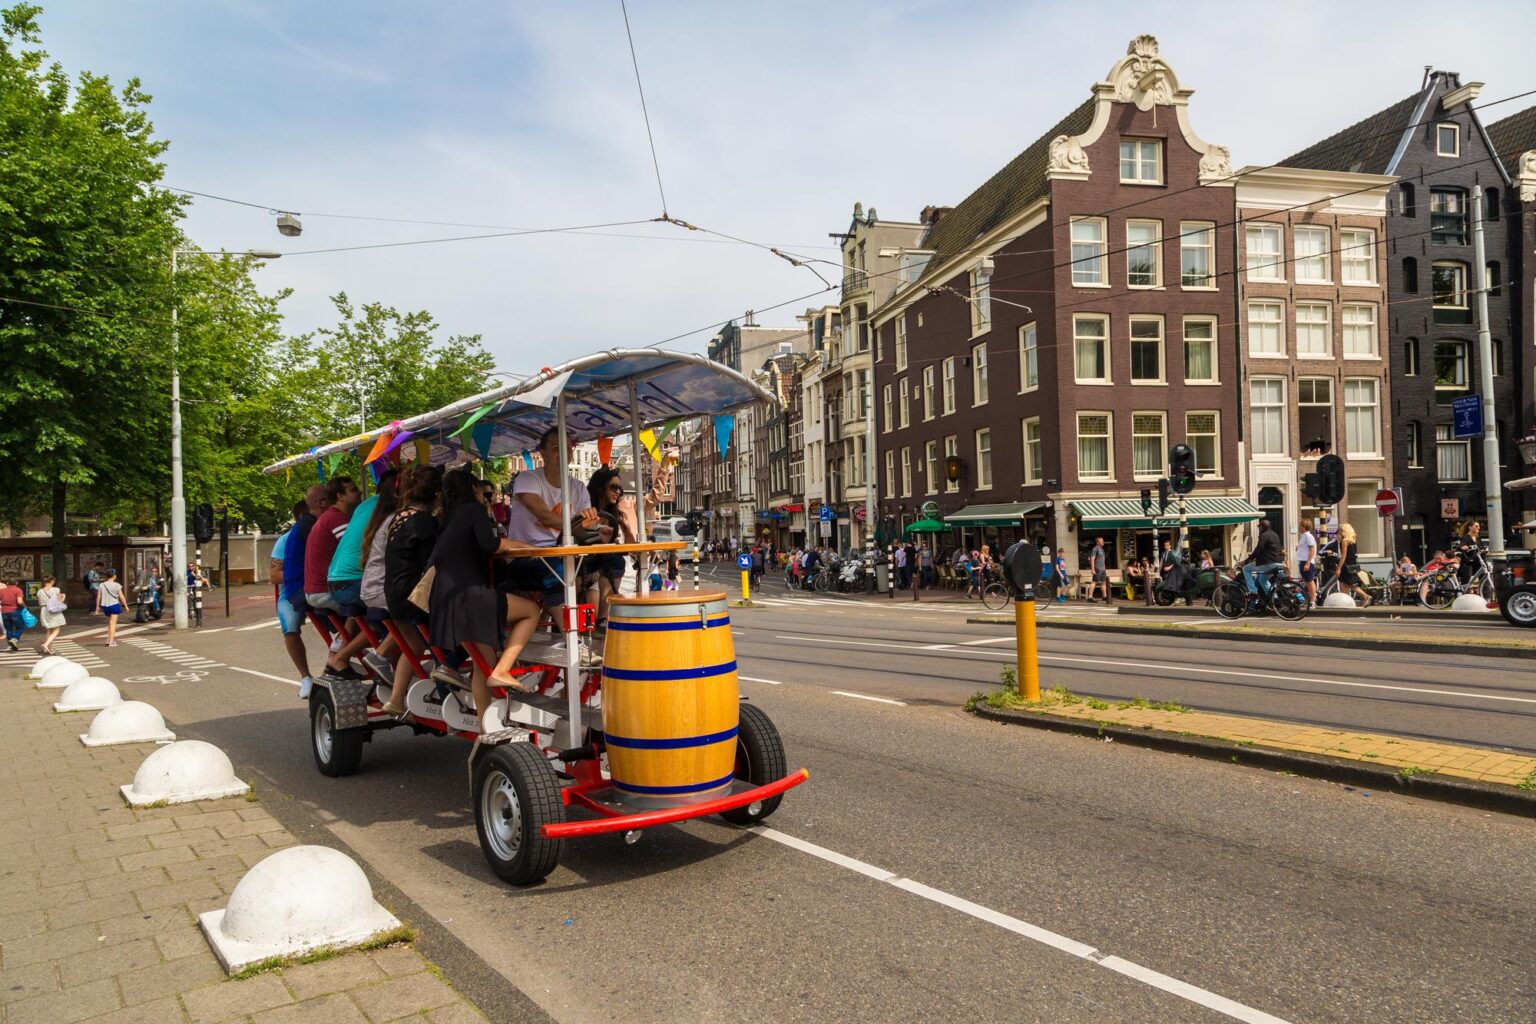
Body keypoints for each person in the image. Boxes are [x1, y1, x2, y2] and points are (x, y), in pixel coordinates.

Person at [432, 467, 539, 722]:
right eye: (481, 488)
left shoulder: (447, 517)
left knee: (483, 664)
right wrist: (522, 545)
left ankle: (485, 727)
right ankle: (504, 670)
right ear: (473, 489)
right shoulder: (472, 510)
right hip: (470, 597)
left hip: (447, 600)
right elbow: (489, 544)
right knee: (531, 610)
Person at [507, 427, 606, 623]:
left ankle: (601, 622)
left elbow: (589, 527)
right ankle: (571, 635)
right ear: (542, 453)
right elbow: (545, 516)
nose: (564, 452)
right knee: (564, 571)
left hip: (562, 555)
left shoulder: (578, 487)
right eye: (556, 447)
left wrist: (597, 528)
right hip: (525, 556)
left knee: (612, 563)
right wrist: (580, 523)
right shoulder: (527, 479)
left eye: (568, 448)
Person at [383, 465, 443, 716]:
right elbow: (432, 564)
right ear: (437, 494)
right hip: (414, 598)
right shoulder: (425, 522)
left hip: (394, 597)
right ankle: (447, 687)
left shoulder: (399, 517)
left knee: (415, 647)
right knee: (456, 630)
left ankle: (396, 700)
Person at [305, 476, 371, 680]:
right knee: (380, 615)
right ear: (340, 496)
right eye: (352, 490)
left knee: (357, 613)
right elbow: (355, 550)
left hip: (316, 588)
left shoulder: (329, 517)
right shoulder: (337, 518)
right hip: (325, 589)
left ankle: (337, 651)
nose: (359, 492)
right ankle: (342, 657)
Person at [587, 466, 636, 629]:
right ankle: (595, 621)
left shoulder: (615, 515)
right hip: (586, 561)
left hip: (605, 565)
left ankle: (602, 618)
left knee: (616, 562)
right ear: (600, 488)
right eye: (613, 487)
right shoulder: (586, 510)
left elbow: (628, 548)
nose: (618, 492)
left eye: (620, 488)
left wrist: (625, 527)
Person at [1240, 519, 1286, 598]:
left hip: (1268, 563)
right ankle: (1275, 600)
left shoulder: (1264, 535)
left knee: (1246, 569)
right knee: (1263, 580)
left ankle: (1253, 591)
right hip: (1279, 562)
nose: (1258, 529)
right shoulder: (1275, 534)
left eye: (1259, 527)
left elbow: (1259, 548)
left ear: (1261, 527)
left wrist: (1247, 560)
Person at [1333, 522, 1372, 606]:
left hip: (1345, 564)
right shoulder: (1352, 540)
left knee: (1344, 583)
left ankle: (1361, 597)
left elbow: (1343, 555)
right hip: (1352, 564)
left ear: (1344, 531)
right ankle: (1352, 600)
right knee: (1346, 583)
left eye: (1340, 530)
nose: (1339, 532)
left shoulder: (1344, 541)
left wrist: (1338, 568)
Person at [95, 568, 126, 646]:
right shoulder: (117, 585)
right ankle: (111, 641)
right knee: (113, 624)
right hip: (114, 605)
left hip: (105, 606)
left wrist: (97, 607)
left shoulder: (102, 585)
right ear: (114, 576)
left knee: (110, 623)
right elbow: (121, 597)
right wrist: (125, 605)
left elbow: (98, 597)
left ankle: (108, 639)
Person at [37, 574, 65, 655]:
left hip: (44, 610)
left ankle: (50, 648)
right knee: (56, 629)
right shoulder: (56, 589)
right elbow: (59, 602)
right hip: (53, 610)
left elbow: (39, 603)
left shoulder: (40, 591)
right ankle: (46, 644)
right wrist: (64, 596)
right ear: (52, 581)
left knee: (49, 629)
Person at [1294, 518, 1319, 608]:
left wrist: (1308, 563)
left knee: (1309, 581)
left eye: (1300, 525)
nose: (1299, 527)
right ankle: (1310, 600)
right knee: (1306, 581)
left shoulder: (1308, 537)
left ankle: (1313, 601)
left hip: (1306, 562)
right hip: (1303, 561)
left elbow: (1312, 550)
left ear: (1304, 527)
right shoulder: (1304, 536)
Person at [0, 576, 25, 652]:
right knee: (20, 627)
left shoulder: (2, 591)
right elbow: (20, 602)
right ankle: (15, 639)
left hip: (4, 612)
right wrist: (25, 607)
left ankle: (12, 645)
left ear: (7, 583)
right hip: (14, 611)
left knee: (8, 629)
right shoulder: (18, 590)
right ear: (16, 583)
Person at [1088, 537, 1110, 603]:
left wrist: (1104, 568)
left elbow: (1103, 560)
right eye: (1101, 541)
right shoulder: (1095, 549)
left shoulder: (1102, 550)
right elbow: (1092, 559)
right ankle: (1090, 597)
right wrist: (1092, 569)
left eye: (1103, 541)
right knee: (1094, 582)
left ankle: (1104, 596)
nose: (1103, 542)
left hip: (1103, 569)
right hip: (1097, 568)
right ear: (1097, 542)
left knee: (1103, 582)